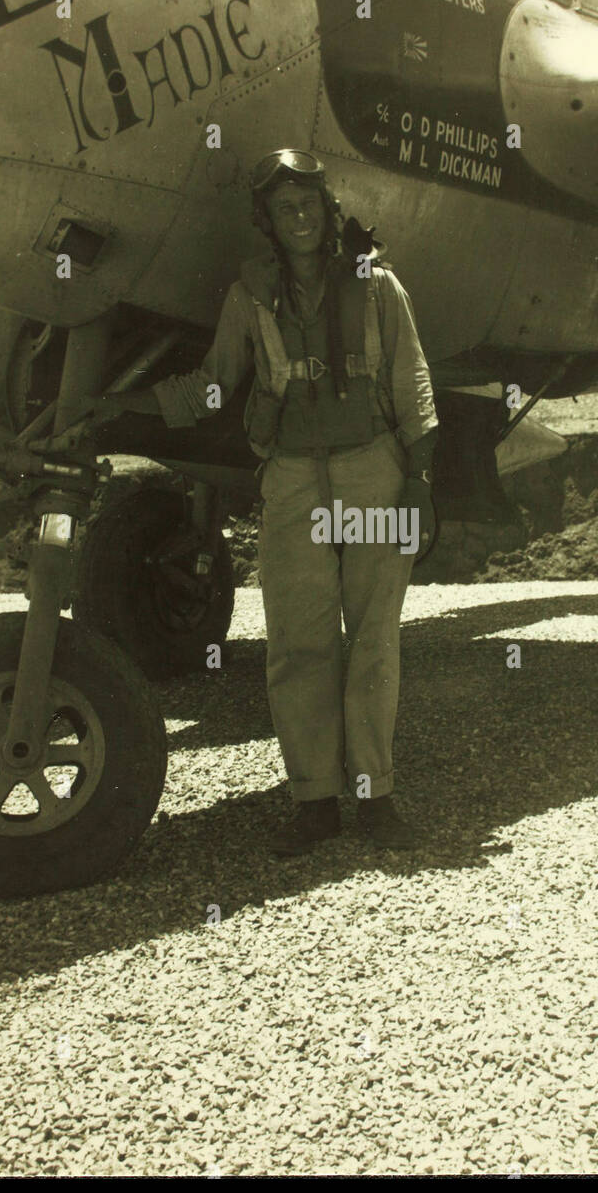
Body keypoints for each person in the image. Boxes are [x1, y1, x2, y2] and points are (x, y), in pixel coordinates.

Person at [89, 149, 438, 856]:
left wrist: (421, 487)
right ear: (269, 224)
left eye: (309, 202)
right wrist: (116, 406)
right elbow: (215, 385)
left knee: (373, 639)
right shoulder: (250, 297)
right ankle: (315, 801)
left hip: (374, 469)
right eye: (285, 208)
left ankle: (375, 797)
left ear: (328, 209)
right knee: (297, 642)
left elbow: (415, 387)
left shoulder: (378, 285)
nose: (300, 215)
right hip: (293, 478)